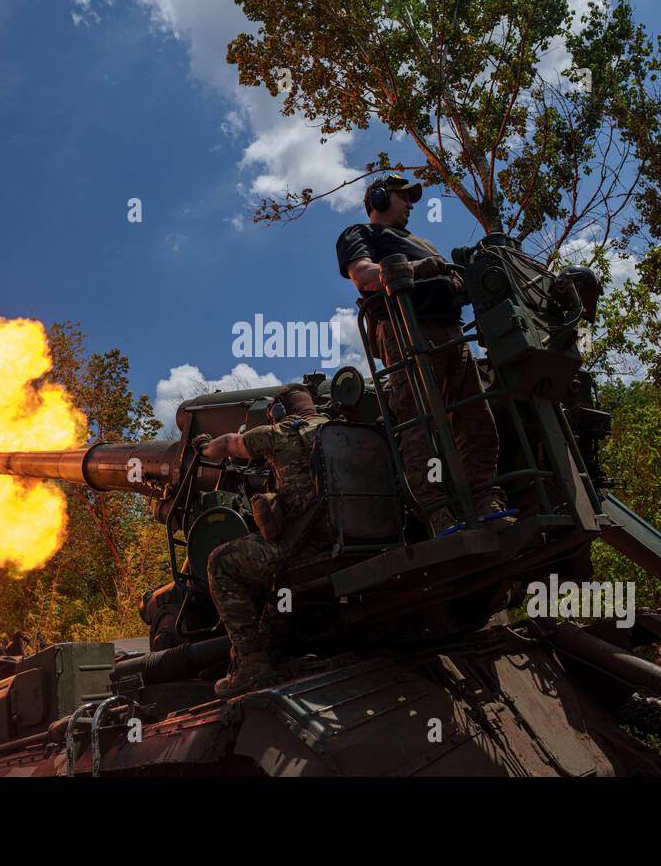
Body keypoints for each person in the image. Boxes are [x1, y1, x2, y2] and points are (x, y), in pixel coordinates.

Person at [336, 174, 503, 534]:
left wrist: (458, 281)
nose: (410, 204)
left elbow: (449, 279)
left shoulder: (423, 242)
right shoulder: (360, 234)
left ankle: (486, 499)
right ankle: (438, 512)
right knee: (420, 423)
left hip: (451, 333)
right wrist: (413, 269)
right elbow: (365, 277)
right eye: (402, 197)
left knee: (476, 417)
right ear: (378, 199)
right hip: (405, 330)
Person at [201, 384, 333, 696]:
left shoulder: (283, 433)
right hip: (348, 538)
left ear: (279, 414)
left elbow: (231, 445)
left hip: (304, 545)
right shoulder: (339, 428)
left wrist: (204, 447)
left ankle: (252, 665)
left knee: (220, 563)